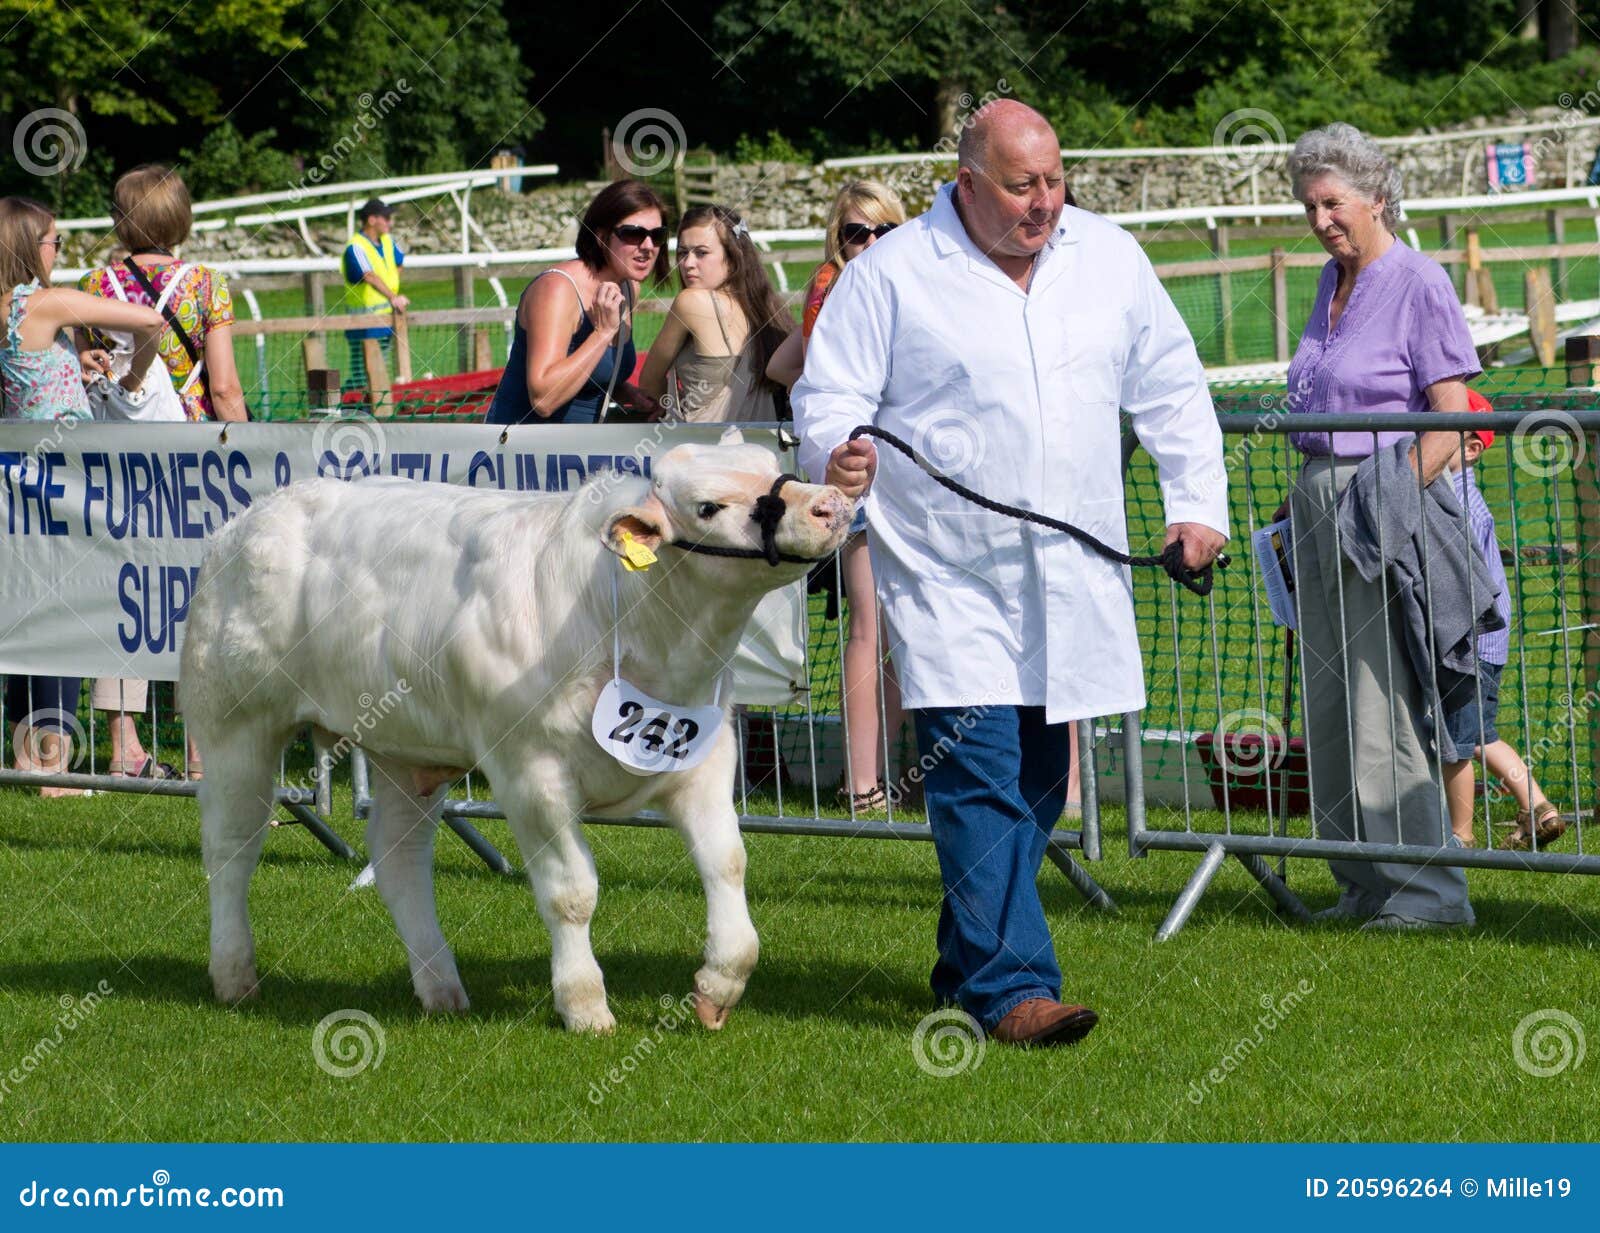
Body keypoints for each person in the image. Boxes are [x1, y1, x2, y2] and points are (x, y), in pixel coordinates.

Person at [793, 101, 1228, 1047]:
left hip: (1071, 569)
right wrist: (840, 449)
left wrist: (1196, 505)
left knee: (1035, 780)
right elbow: (826, 392)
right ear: (966, 185)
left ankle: (961, 966)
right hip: (948, 574)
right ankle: (1015, 988)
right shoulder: (895, 271)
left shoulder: (1109, 258)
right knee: (978, 772)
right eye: (1022, 185)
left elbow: (1171, 383)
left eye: (1056, 179)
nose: (1045, 203)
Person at [1283, 122, 1482, 930]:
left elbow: (1455, 415)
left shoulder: (1419, 280)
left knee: (1383, 703)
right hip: (1317, 502)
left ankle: (1428, 895)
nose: (1321, 218)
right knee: (1329, 702)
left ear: (1375, 196)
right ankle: (1362, 882)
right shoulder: (1329, 286)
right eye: (1309, 206)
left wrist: (1387, 499)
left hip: (1379, 504)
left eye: (1333, 202)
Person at [78, 164, 247, 779]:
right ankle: (201, 747)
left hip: (121, 456)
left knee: (124, 588)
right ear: (180, 217)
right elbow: (224, 386)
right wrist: (248, 446)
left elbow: (88, 367)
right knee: (198, 593)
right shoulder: (205, 286)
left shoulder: (95, 282)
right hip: (193, 457)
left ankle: (124, 744)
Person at [1, 196, 163, 796]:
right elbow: (148, 321)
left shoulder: (9, 312)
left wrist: (76, 361)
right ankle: (54, 770)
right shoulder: (47, 303)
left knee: (27, 618)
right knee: (63, 620)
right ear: (28, 247)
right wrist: (135, 377)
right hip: (63, 483)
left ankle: (26, 758)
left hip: (18, 480)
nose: (59, 253)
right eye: (54, 242)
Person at [768, 181, 910, 812]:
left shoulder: (878, 290)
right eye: (857, 232)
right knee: (869, 622)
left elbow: (781, 367)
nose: (871, 243)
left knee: (912, 628)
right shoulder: (834, 293)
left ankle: (905, 774)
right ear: (839, 238)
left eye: (883, 231)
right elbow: (786, 366)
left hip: (911, 476)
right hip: (858, 472)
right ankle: (863, 785)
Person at [1440, 392, 1565, 850]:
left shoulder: (1458, 502)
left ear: (1472, 449)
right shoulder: (1457, 495)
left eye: (1440, 433)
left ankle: (1460, 836)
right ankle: (1539, 808)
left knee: (1456, 741)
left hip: (1469, 639)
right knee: (1480, 736)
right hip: (1484, 641)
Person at [486, 181, 667, 425]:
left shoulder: (628, 287)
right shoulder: (557, 290)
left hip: (580, 453)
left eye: (657, 236)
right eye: (633, 234)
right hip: (520, 454)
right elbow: (543, 399)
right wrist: (603, 333)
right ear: (602, 236)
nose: (647, 246)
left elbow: (590, 373)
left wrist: (627, 393)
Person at [637, 204, 789, 422]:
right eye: (682, 253)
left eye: (701, 253)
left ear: (733, 256)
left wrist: (671, 405)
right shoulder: (768, 307)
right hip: (761, 449)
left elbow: (649, 383)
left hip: (704, 449)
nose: (688, 264)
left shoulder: (691, 301)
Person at [341, 197, 408, 394]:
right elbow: (368, 275)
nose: (390, 222)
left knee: (380, 371)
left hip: (386, 319)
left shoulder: (388, 242)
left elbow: (399, 262)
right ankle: (350, 404)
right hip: (363, 322)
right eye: (386, 218)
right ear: (372, 220)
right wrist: (393, 296)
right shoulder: (356, 246)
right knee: (363, 374)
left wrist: (391, 292)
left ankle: (371, 408)